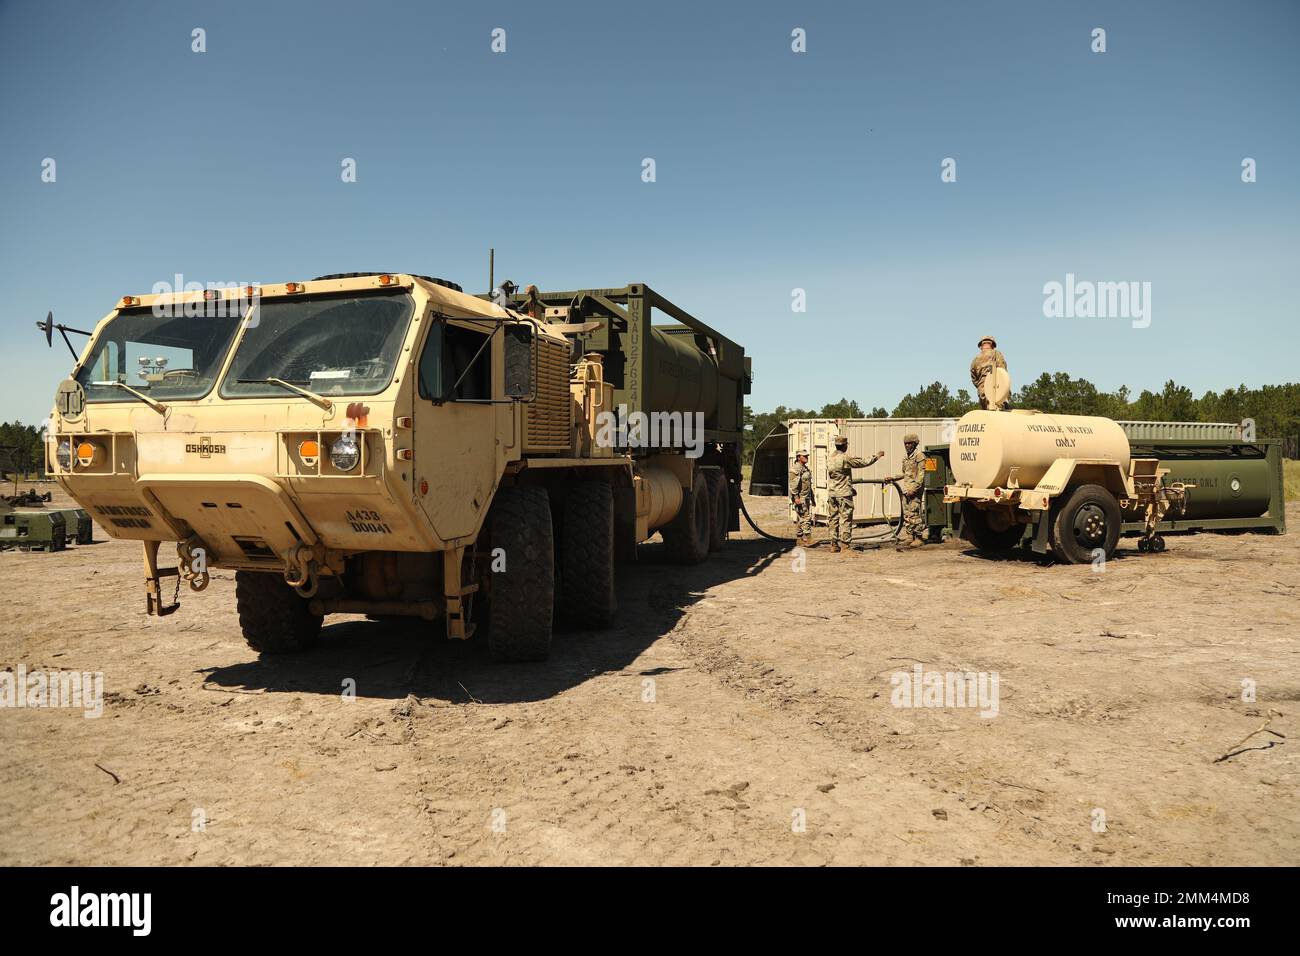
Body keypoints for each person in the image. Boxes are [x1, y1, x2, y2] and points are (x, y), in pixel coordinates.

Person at [825, 434, 884, 553]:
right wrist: (876, 456)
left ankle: (834, 544)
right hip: (843, 494)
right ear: (845, 445)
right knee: (846, 519)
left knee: (833, 519)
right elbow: (863, 462)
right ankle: (845, 546)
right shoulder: (845, 458)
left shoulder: (830, 458)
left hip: (832, 493)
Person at [884, 433, 929, 548]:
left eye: (910, 443)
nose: (907, 446)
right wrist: (893, 478)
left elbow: (921, 475)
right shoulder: (906, 457)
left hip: (914, 490)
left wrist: (914, 489)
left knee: (914, 513)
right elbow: (905, 474)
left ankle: (919, 537)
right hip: (906, 489)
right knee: (907, 514)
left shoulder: (919, 456)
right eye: (906, 443)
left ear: (915, 444)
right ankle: (910, 536)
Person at [970, 335, 1008, 410]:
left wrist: (982, 386)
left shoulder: (975, 360)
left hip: (982, 393)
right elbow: (1003, 373)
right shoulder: (996, 354)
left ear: (981, 346)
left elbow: (974, 380)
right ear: (993, 345)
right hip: (997, 394)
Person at [789, 448, 814, 546]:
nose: (806, 457)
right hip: (800, 498)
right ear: (799, 457)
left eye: (807, 456)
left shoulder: (805, 468)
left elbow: (808, 485)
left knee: (801, 518)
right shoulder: (795, 469)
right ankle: (809, 538)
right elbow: (793, 485)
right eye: (804, 456)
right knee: (806, 517)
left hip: (806, 496)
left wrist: (812, 498)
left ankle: (799, 538)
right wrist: (796, 498)